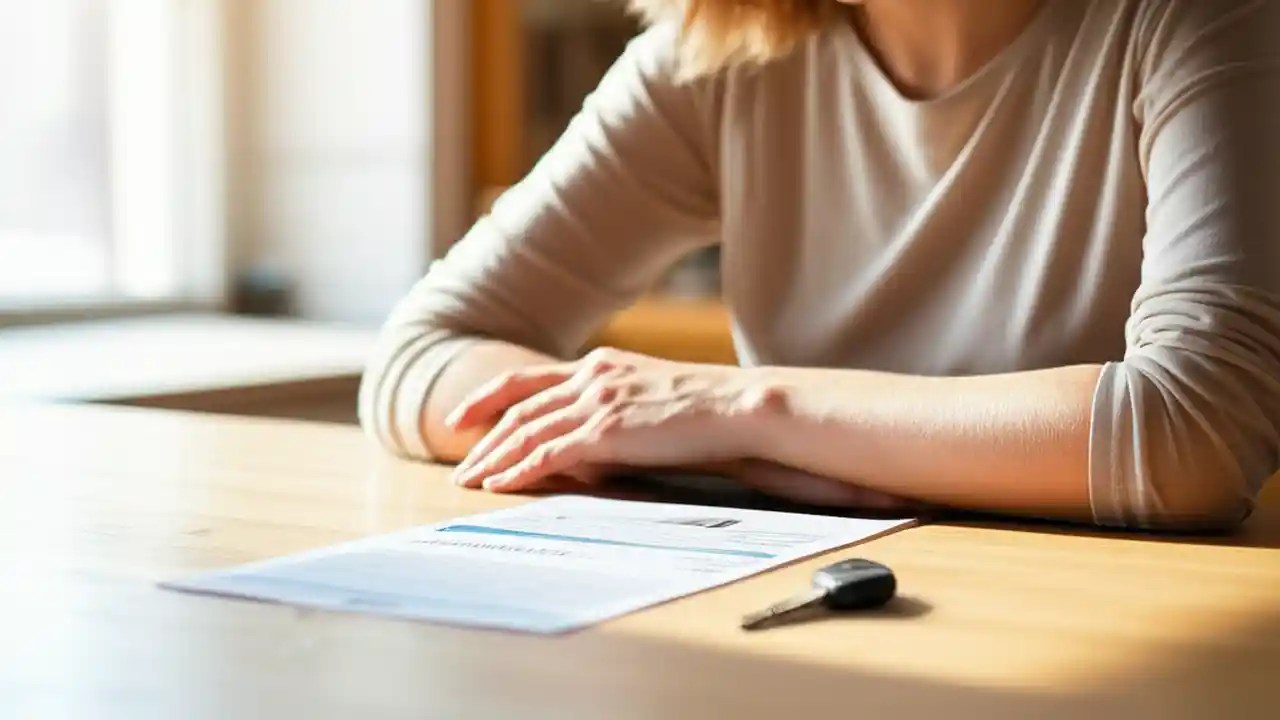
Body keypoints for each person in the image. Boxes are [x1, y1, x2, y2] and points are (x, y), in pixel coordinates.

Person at [360, 0, 1280, 530]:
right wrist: (716, 440)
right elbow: (421, 352)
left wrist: (745, 412)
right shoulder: (720, 51)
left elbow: (1199, 432)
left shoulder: (1200, 21)